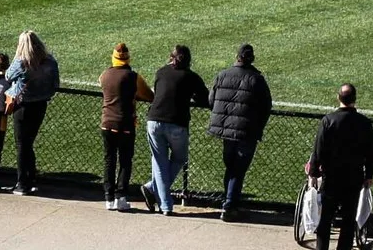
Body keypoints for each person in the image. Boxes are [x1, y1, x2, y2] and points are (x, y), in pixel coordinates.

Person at [307, 84, 373, 250]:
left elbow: (318, 150)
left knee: (325, 219)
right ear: (355, 98)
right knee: (348, 220)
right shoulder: (364, 123)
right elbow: (371, 152)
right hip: (354, 177)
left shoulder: (329, 120)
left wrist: (314, 172)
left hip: (332, 176)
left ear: (338, 97)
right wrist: (369, 174)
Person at [207, 44, 272, 221]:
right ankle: (229, 205)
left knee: (231, 167)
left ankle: (229, 202)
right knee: (238, 169)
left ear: (237, 57)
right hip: (247, 132)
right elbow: (266, 105)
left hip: (227, 130)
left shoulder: (223, 74)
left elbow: (212, 100)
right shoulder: (257, 79)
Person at [144, 44, 204, 214]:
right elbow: (204, 98)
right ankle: (165, 204)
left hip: (154, 120)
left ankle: (153, 190)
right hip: (177, 123)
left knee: (160, 162)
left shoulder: (161, 71)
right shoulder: (191, 77)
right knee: (178, 159)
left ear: (171, 57)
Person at [0, 32, 60, 196]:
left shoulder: (21, 62)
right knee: (28, 142)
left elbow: (8, 76)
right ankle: (31, 179)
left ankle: (23, 183)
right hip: (41, 105)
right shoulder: (50, 61)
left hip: (23, 106)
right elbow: (56, 84)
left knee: (22, 144)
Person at [99, 45, 149, 211]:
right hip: (126, 124)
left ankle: (108, 197)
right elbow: (149, 95)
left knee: (109, 160)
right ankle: (121, 196)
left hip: (106, 123)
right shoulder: (133, 76)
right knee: (125, 161)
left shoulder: (104, 75)